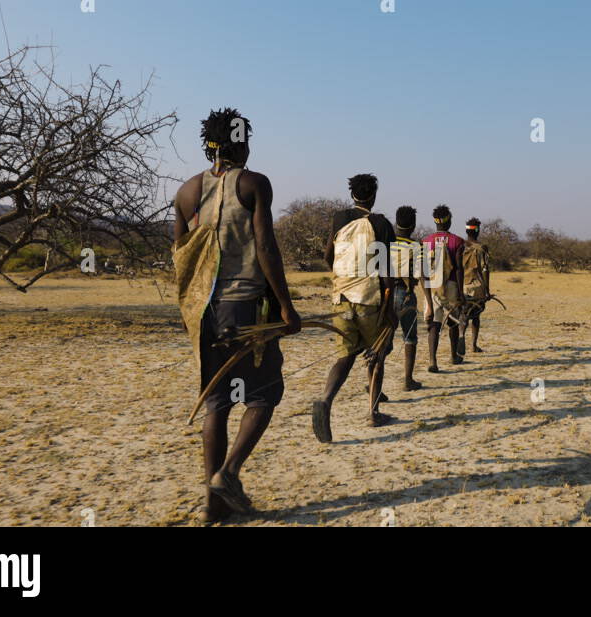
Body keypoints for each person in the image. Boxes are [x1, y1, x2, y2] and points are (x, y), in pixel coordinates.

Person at [172, 108, 301, 524]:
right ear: (241, 144)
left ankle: (214, 505)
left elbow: (181, 259)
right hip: (245, 306)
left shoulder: (186, 193)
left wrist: (192, 312)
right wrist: (286, 305)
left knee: (217, 403)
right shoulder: (254, 183)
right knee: (264, 395)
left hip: (204, 314)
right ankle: (227, 476)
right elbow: (265, 245)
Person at [312, 174, 398, 443]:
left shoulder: (339, 219)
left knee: (345, 355)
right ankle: (373, 412)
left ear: (352, 195)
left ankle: (326, 400)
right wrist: (391, 309)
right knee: (377, 352)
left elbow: (328, 255)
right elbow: (385, 270)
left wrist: (341, 278)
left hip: (341, 297)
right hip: (369, 298)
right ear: (373, 195)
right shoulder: (381, 224)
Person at [421, 204, 465, 372]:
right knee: (453, 322)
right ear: (450, 221)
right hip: (452, 285)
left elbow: (423, 270)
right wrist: (461, 293)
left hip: (432, 287)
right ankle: (454, 356)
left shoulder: (426, 241)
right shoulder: (457, 241)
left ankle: (433, 361)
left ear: (435, 221)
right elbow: (459, 269)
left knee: (434, 324)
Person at [389, 205, 423, 391]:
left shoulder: (386, 244)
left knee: (383, 339)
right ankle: (408, 380)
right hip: (405, 295)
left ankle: (375, 385)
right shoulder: (416, 246)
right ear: (413, 225)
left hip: (384, 295)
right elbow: (420, 274)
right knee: (410, 337)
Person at [461, 217, 491, 353]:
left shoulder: (460, 246)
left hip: (461, 286)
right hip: (477, 287)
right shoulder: (482, 248)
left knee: (463, 315)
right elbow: (485, 270)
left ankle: (460, 337)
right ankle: (473, 345)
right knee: (476, 316)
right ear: (477, 231)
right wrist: (487, 290)